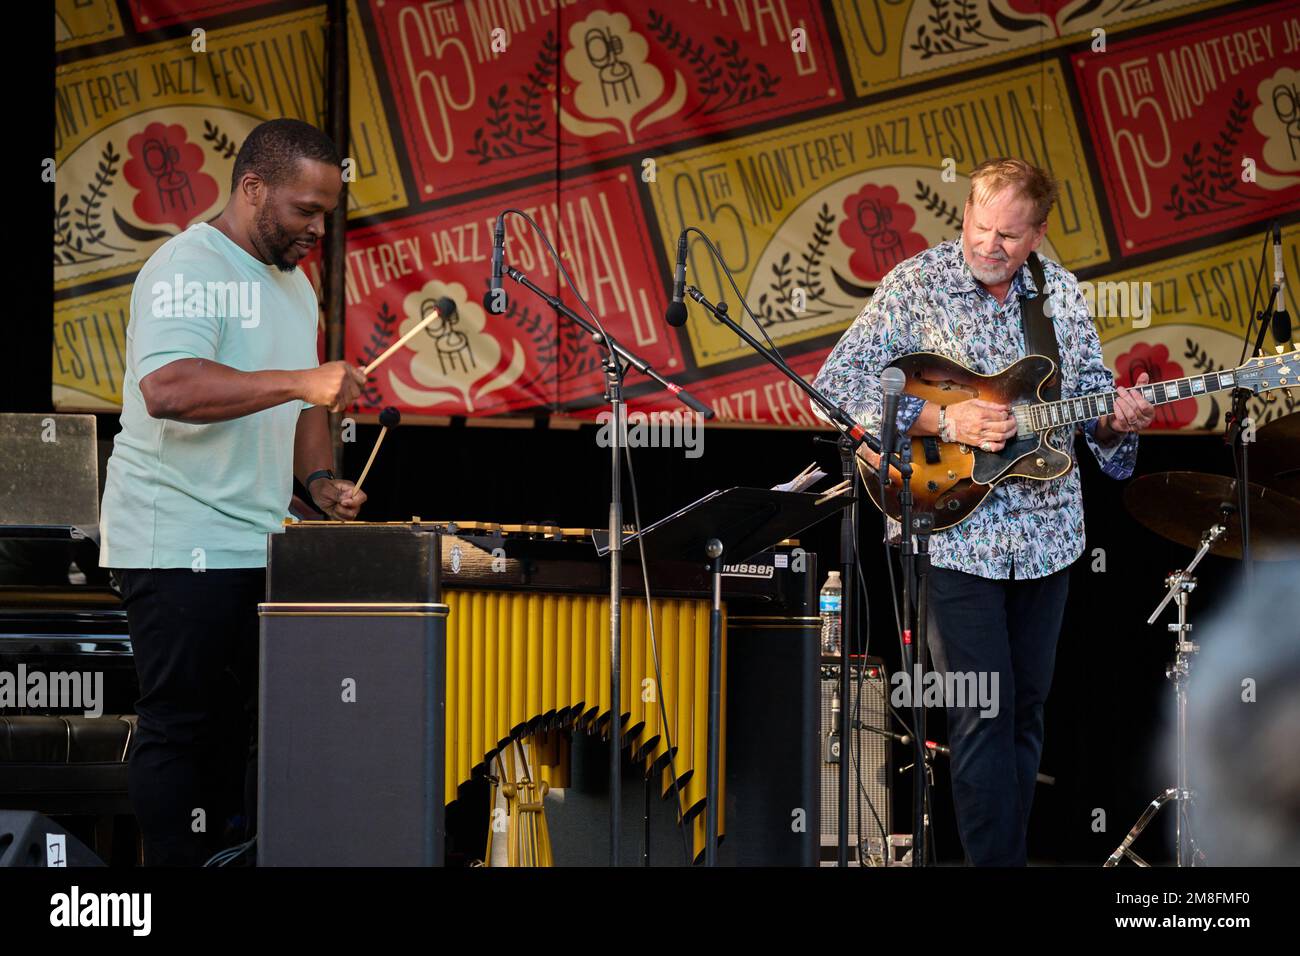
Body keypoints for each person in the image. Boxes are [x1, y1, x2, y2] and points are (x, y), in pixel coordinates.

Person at [813, 157, 1157, 865]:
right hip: (951, 531)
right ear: (965, 212)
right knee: (982, 715)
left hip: (1048, 534)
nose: (987, 244)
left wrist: (1119, 422)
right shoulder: (917, 283)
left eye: (1007, 234)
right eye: (979, 224)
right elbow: (834, 387)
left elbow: (1090, 401)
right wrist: (944, 422)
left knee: (1026, 716)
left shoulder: (1057, 292)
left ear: (1036, 234)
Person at [100, 118, 369, 865]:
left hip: (258, 542)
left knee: (247, 733)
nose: (318, 227)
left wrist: (318, 483)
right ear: (252, 189)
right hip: (174, 537)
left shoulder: (295, 284)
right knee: (180, 728)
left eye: (327, 212)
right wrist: (300, 380)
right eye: (304, 210)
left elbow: (305, 410)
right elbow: (169, 388)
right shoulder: (187, 268)